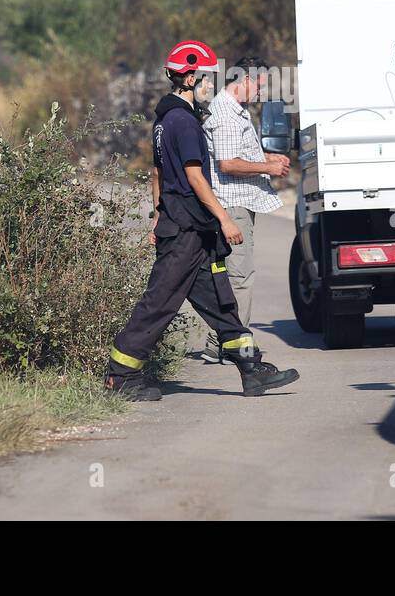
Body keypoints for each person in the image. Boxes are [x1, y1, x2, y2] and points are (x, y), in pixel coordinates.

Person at [104, 40, 301, 401]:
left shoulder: (165, 121)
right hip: (185, 232)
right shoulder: (184, 122)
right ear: (191, 78)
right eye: (207, 77)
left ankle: (250, 369)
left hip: (191, 229)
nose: (211, 84)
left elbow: (157, 174)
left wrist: (157, 217)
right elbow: (196, 177)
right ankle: (120, 377)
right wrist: (224, 218)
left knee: (221, 302)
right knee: (159, 303)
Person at [200, 56, 290, 361]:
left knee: (233, 274)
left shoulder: (236, 111)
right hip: (232, 204)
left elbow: (235, 153)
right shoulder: (226, 113)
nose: (261, 92)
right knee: (240, 276)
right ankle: (235, 344)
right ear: (246, 79)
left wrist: (268, 159)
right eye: (260, 85)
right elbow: (228, 163)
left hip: (238, 203)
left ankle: (220, 342)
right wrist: (267, 167)